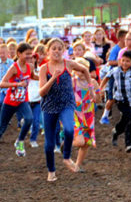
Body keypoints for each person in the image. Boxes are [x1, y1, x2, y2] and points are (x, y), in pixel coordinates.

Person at [38, 38, 92, 182]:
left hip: (67, 104)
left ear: (64, 51)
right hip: (49, 106)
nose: (56, 51)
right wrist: (53, 77)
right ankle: (51, 171)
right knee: (49, 143)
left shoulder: (68, 64)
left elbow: (85, 70)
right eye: (53, 48)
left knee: (69, 129)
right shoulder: (44, 68)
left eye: (59, 48)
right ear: (48, 51)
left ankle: (67, 157)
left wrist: (91, 88)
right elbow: (42, 92)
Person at [0, 42, 36, 169]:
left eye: (31, 54)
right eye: (27, 54)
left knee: (29, 119)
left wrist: (46, 76)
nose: (30, 56)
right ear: (19, 54)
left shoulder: (29, 66)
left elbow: (33, 76)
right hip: (10, 102)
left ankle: (19, 141)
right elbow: (2, 84)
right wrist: (17, 85)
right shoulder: (14, 68)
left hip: (23, 100)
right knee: (1, 128)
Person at [70, 58, 99, 170]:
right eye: (78, 70)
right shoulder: (72, 82)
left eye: (83, 70)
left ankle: (77, 165)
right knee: (80, 141)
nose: (81, 72)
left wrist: (96, 95)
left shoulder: (93, 83)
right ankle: (67, 142)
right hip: (74, 114)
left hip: (88, 115)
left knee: (86, 143)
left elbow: (98, 100)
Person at [0, 44, 15, 113]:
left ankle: (6, 117)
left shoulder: (12, 63)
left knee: (7, 103)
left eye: (3, 53)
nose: (2, 55)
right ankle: (0, 117)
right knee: (0, 101)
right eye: (0, 53)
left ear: (7, 53)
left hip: (9, 87)